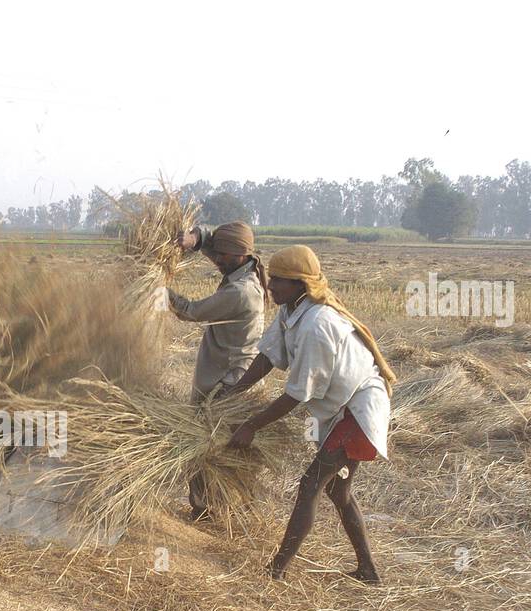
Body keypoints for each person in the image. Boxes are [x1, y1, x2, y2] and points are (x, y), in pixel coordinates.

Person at [221, 245, 395, 584]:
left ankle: (276, 571)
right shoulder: (292, 311)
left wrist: (251, 426)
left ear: (300, 283)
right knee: (338, 492)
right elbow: (268, 356)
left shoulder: (318, 324)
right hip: (341, 408)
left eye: (279, 281)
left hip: (358, 410)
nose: (270, 287)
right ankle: (368, 571)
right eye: (271, 279)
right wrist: (235, 391)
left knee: (310, 486)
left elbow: (298, 394)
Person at [168, 221, 267, 521]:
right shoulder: (240, 267)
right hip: (223, 370)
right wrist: (194, 239)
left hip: (227, 380)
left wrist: (157, 290)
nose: (216, 260)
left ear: (238, 255)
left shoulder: (240, 292)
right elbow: (213, 243)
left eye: (221, 256)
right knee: (217, 445)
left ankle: (209, 510)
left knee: (208, 444)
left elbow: (190, 312)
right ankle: (211, 506)